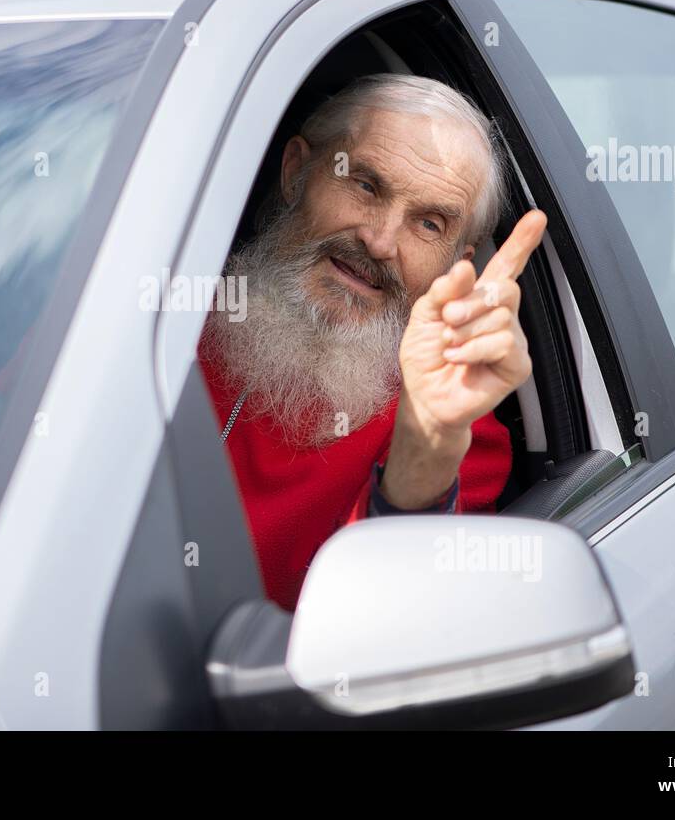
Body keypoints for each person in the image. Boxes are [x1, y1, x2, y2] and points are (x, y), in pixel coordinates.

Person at [199, 73, 548, 610]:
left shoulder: (457, 429)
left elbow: (396, 619)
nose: (380, 242)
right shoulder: (165, 316)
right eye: (365, 185)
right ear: (297, 172)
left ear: (457, 264)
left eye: (428, 224)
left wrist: (424, 447)